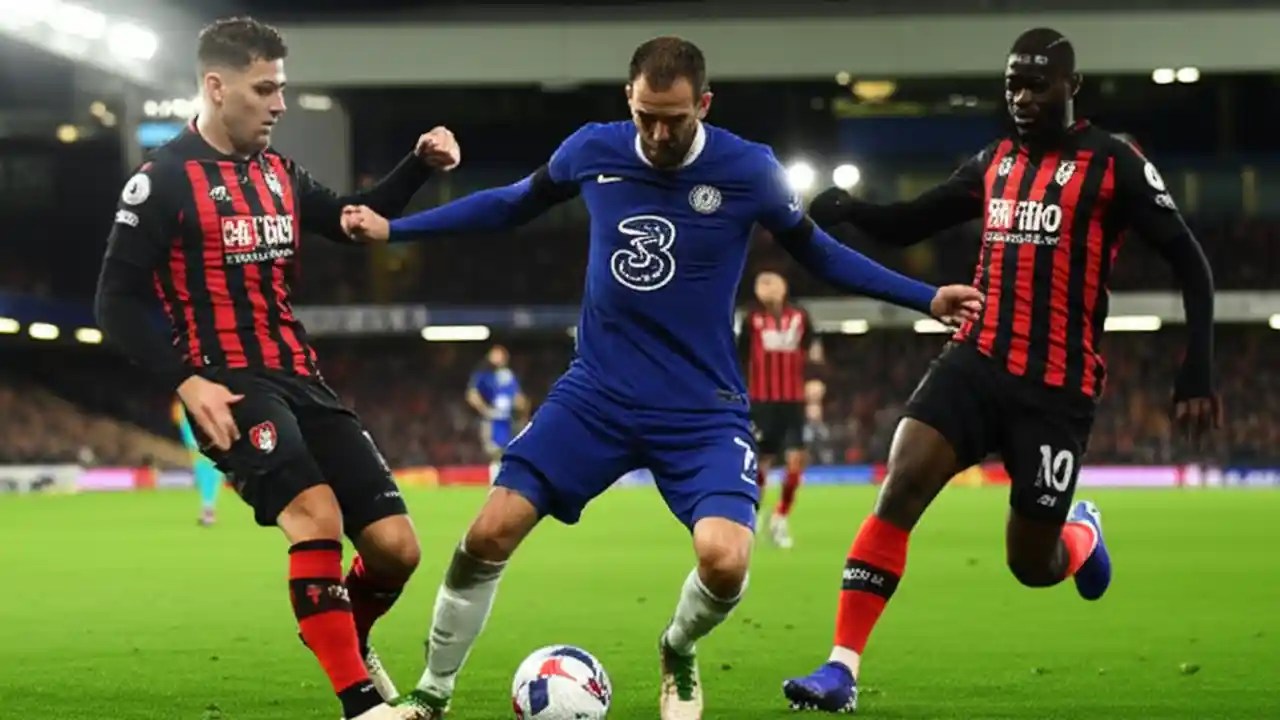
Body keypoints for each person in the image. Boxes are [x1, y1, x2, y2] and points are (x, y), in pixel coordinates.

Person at [342, 36, 982, 720]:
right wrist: (396, 229)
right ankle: (433, 694)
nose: (658, 131)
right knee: (486, 535)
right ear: (630, 99)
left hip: (702, 408)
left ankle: (677, 648)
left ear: (702, 105)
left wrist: (924, 297)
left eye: (674, 118)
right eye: (646, 114)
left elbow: (821, 256)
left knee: (726, 560)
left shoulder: (749, 170)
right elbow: (507, 205)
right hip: (595, 396)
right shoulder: (593, 148)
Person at [782, 27, 1221, 713]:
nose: (1021, 96)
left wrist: (1198, 367)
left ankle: (1081, 534)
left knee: (1031, 565)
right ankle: (840, 668)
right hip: (976, 359)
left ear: (1071, 87)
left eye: (1036, 83)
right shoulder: (994, 162)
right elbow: (911, 222)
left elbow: (1190, 261)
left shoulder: (1114, 163)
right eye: (1012, 82)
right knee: (900, 488)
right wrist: (849, 213)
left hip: (1056, 390)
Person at [93, 16, 461, 720]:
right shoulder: (163, 181)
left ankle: (343, 632)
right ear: (216, 86)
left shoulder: (279, 175)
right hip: (228, 386)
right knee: (314, 516)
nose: (279, 104)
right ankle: (362, 705)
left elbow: (358, 218)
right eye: (265, 89)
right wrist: (185, 378)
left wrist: (417, 165)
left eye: (282, 89)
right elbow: (115, 301)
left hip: (300, 376)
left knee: (396, 551)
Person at [737, 270, 821, 549]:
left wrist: (815, 383)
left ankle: (781, 517)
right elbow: (741, 356)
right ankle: (752, 515)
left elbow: (812, 352)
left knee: (797, 460)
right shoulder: (751, 319)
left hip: (793, 402)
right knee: (761, 464)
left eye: (772, 281)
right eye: (761, 283)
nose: (767, 288)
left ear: (784, 286)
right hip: (762, 402)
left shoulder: (801, 317)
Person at [465, 344, 528, 483]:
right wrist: (485, 410)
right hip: (493, 419)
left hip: (509, 419)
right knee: (494, 451)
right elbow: (472, 394)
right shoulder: (483, 375)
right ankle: (496, 481)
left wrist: (522, 408)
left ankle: (506, 481)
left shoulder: (509, 375)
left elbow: (518, 396)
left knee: (509, 451)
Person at [174, 398, 223, 526]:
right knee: (207, 477)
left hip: (208, 446)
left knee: (209, 477)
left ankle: (208, 510)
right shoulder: (188, 408)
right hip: (203, 446)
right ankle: (208, 509)